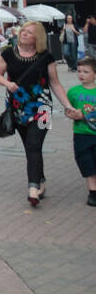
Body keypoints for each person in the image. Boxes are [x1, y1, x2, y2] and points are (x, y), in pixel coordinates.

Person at [0, 19, 68, 206]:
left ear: (38, 38)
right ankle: (41, 180)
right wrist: (7, 84)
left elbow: (55, 83)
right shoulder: (8, 54)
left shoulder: (46, 56)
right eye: (23, 30)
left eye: (30, 32)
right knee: (30, 147)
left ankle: (33, 189)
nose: (24, 33)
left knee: (35, 144)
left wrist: (67, 106)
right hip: (18, 107)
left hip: (42, 107)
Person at [61, 57, 96, 206]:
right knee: (86, 161)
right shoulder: (73, 92)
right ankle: (93, 192)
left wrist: (86, 114)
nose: (81, 74)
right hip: (81, 133)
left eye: (86, 72)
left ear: (95, 74)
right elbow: (68, 110)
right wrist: (71, 113)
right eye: (79, 71)